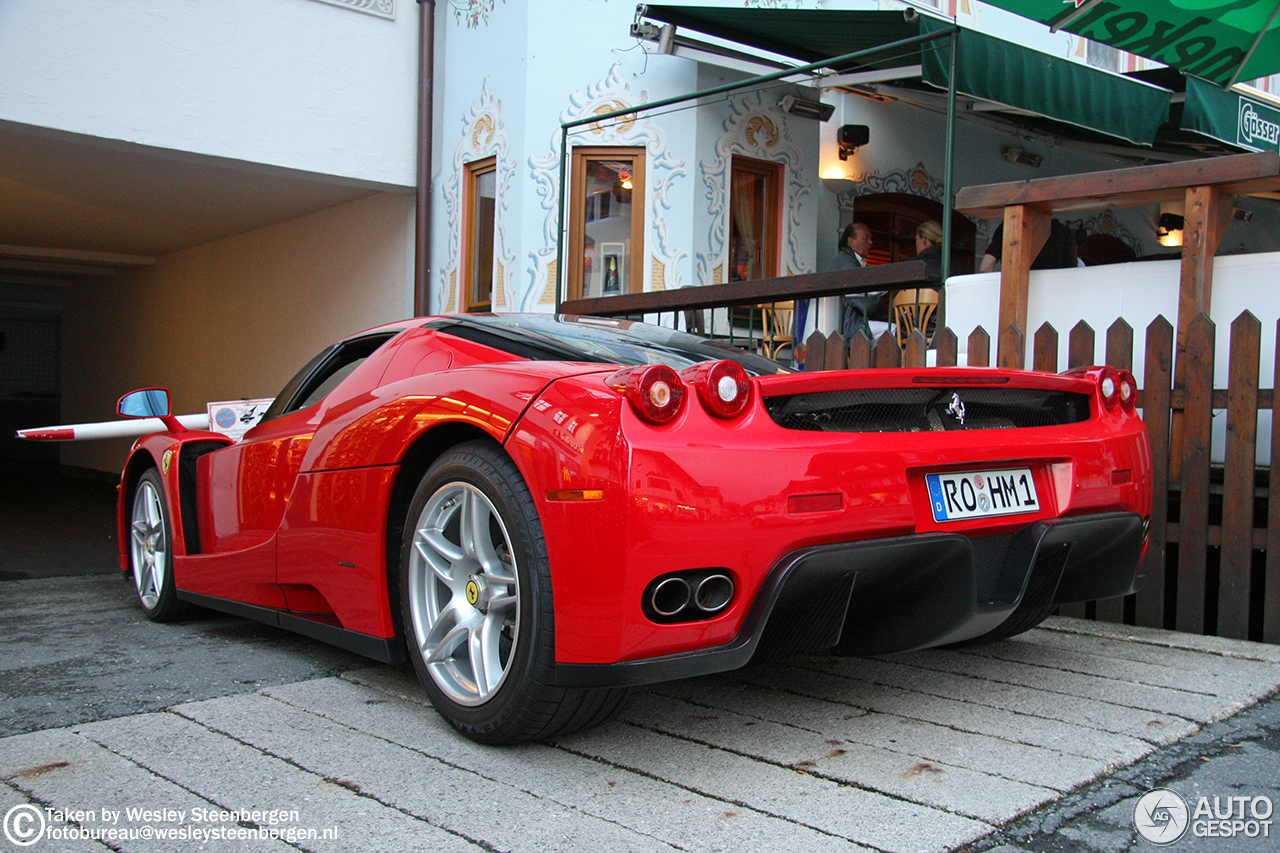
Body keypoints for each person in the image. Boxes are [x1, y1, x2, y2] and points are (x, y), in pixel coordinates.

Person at [830, 222, 882, 339]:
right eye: (866, 238)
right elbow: (867, 305)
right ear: (851, 241)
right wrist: (878, 297)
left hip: (846, 324)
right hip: (849, 326)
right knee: (893, 331)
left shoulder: (845, 261)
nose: (870, 242)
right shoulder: (848, 265)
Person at [980, 219, 1077, 272]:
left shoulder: (1009, 225)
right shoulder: (1064, 232)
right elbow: (1071, 273)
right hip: (1052, 295)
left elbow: (986, 266)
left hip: (1015, 295)